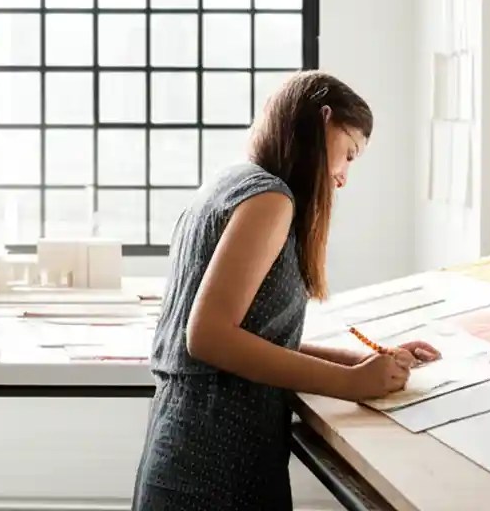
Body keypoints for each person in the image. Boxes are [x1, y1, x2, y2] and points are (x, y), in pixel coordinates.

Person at [131, 70, 441, 510]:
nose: (343, 176)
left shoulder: (233, 182)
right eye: (349, 153)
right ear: (323, 121)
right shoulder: (270, 200)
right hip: (215, 464)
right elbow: (208, 337)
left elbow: (253, 338)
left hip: (191, 449)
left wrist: (363, 362)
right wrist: (351, 383)